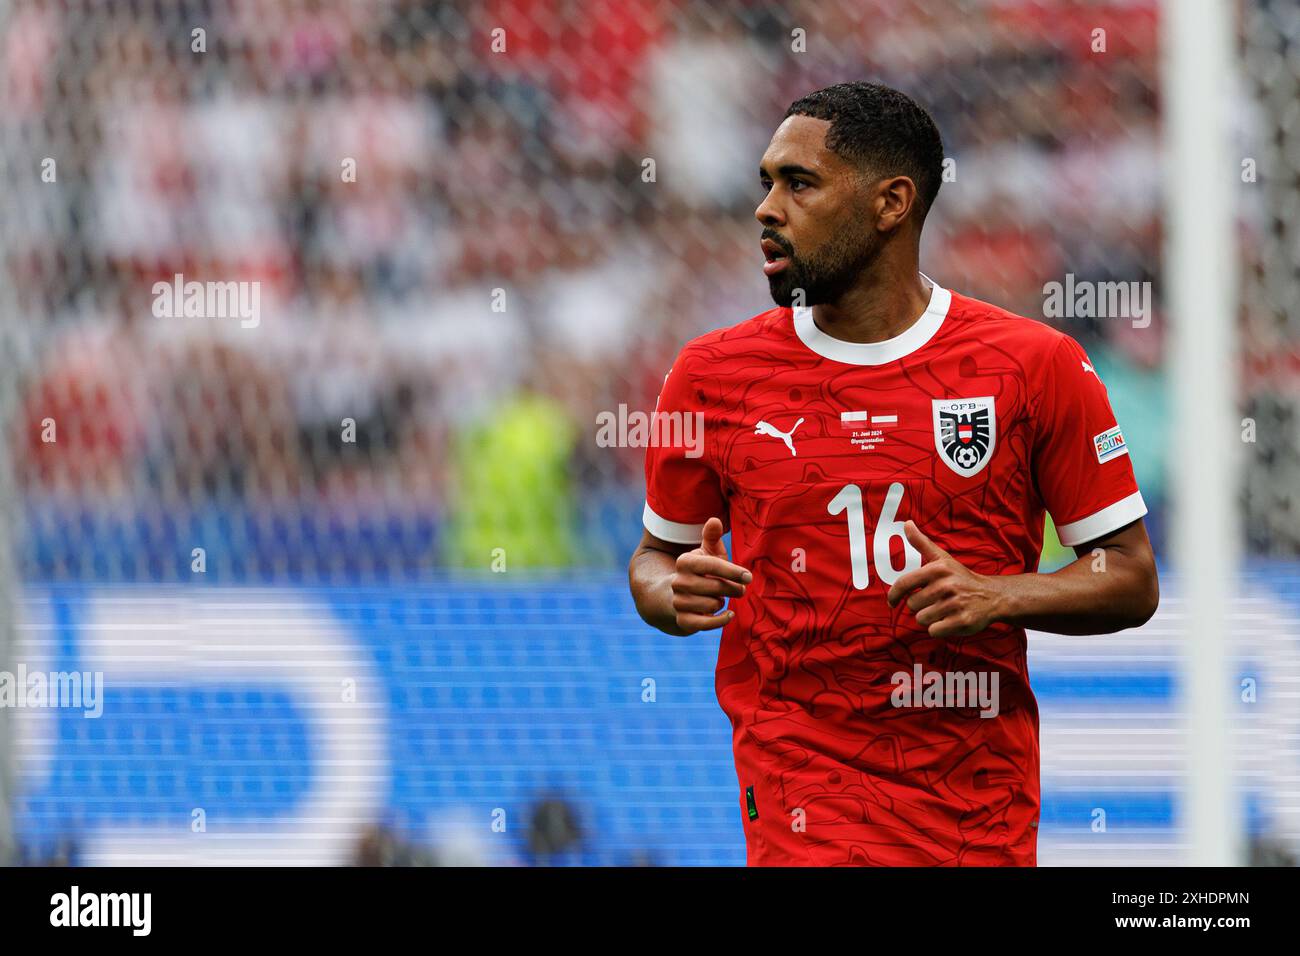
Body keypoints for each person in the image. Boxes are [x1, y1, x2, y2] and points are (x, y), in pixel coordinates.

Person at [627, 81, 1159, 866]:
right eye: (765, 182)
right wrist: (669, 593)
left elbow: (1130, 579)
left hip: (975, 800)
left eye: (798, 183)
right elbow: (653, 560)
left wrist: (999, 594)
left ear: (891, 203)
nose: (766, 208)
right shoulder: (711, 376)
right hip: (801, 788)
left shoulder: (1032, 367)